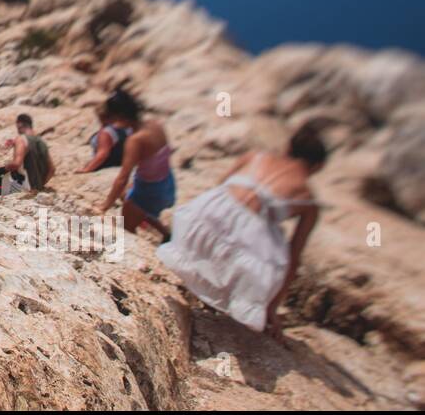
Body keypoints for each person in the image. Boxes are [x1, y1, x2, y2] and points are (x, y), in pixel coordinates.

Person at [157, 124, 326, 336]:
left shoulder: (254, 156)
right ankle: (228, 301)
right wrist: (271, 308)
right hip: (241, 236)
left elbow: (221, 185)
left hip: (203, 217)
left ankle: (205, 285)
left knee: (247, 233)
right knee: (274, 249)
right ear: (317, 166)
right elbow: (294, 258)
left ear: (287, 148)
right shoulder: (309, 200)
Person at [95, 87, 174, 241]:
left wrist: (105, 206)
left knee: (127, 230)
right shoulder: (154, 124)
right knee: (125, 194)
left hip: (149, 191)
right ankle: (165, 233)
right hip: (167, 183)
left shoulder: (135, 140)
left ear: (119, 116)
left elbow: (122, 178)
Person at [0, 113, 54, 196]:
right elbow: (52, 169)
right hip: (35, 187)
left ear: (19, 124)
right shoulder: (42, 142)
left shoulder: (21, 139)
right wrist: (40, 186)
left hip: (20, 188)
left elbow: (16, 164)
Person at [82, 106, 130, 172]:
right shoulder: (126, 126)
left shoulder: (107, 132)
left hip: (109, 163)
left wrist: (88, 168)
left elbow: (103, 154)